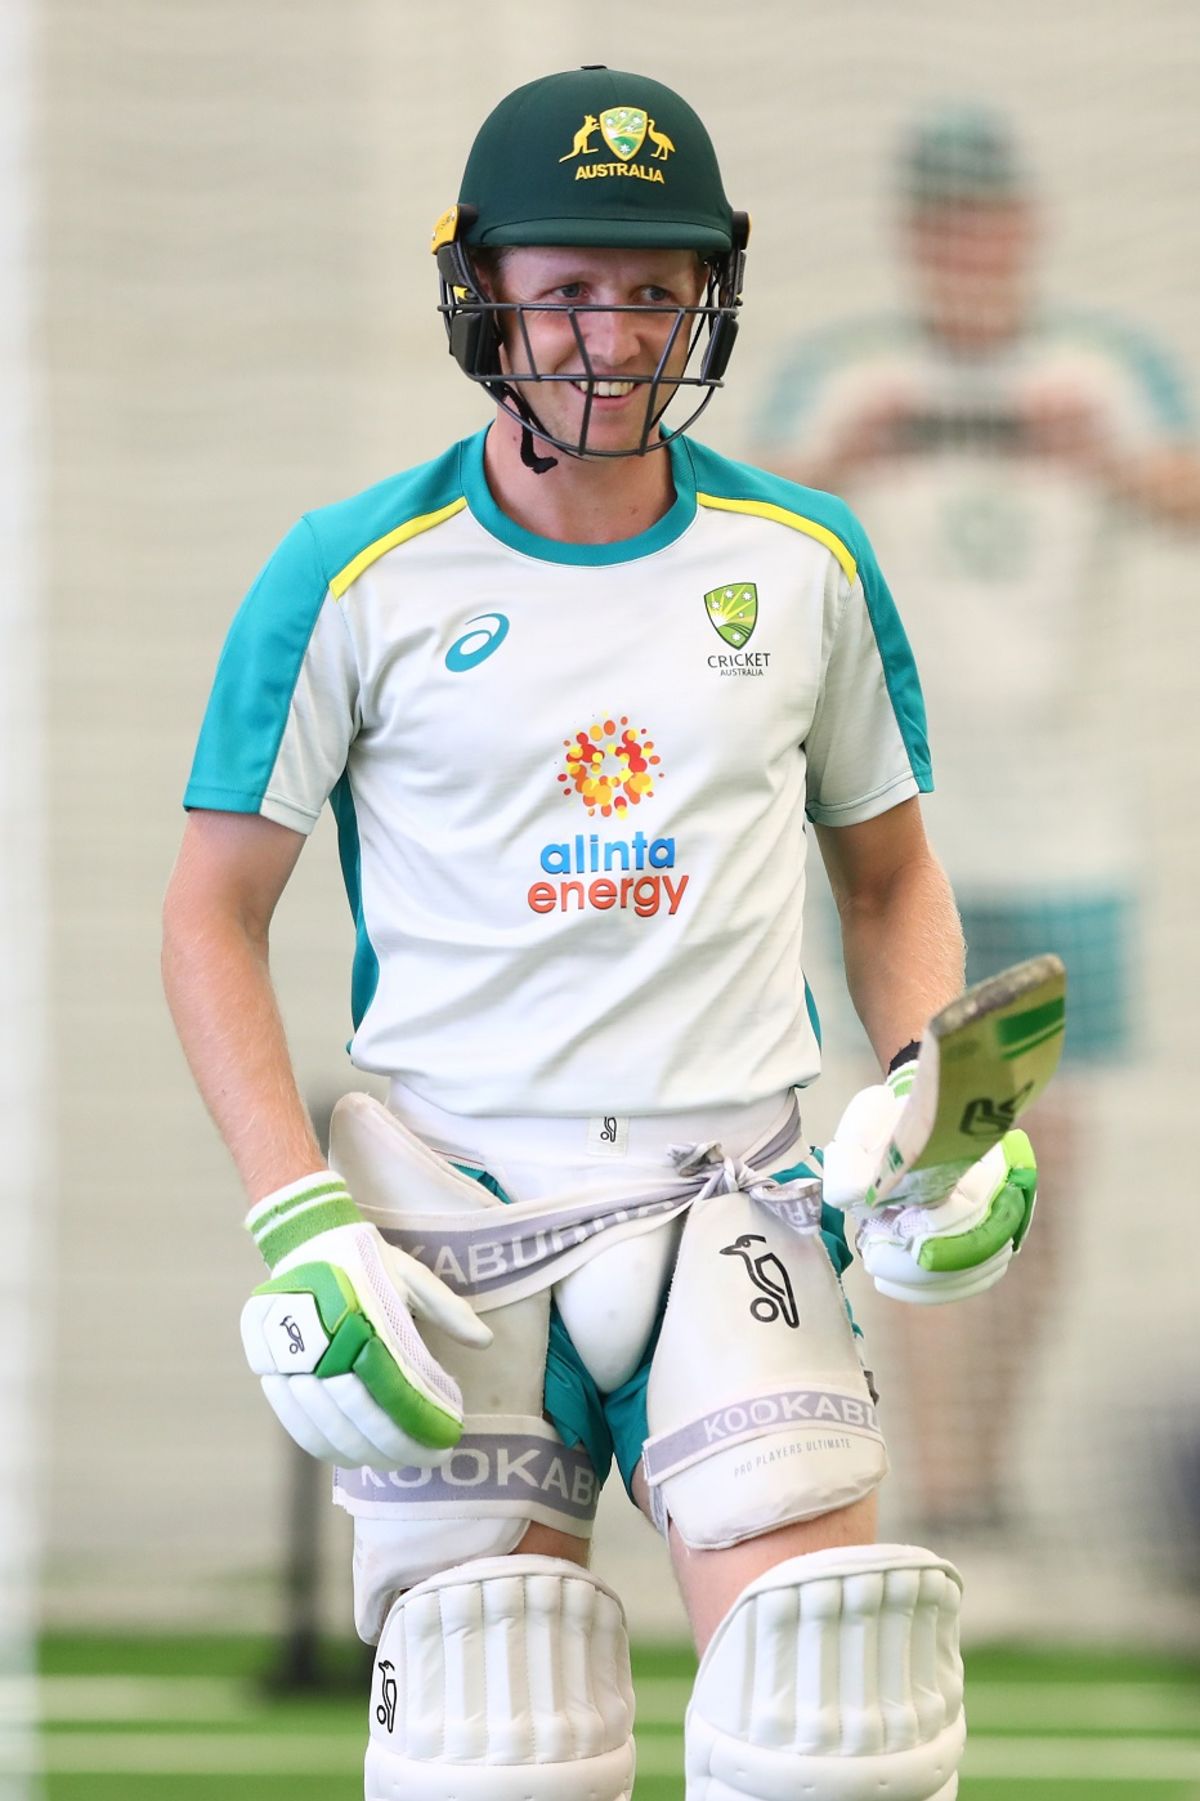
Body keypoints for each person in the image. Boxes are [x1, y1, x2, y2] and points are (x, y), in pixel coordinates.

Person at [163, 68, 1038, 1801]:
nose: (612, 337)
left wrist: (945, 1117)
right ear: (482, 289)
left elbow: (889, 877)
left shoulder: (805, 559)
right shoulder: (351, 575)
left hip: (740, 1188)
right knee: (495, 1755)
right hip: (454, 1218)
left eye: (655, 289)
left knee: (832, 1729)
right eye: (567, 290)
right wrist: (300, 1219)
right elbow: (209, 914)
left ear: (710, 289)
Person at [754, 106, 1200, 1539]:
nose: (969, 249)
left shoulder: (1102, 368)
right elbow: (745, 525)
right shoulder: (852, 374)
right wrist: (843, 469)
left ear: (1023, 232)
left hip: (1070, 831)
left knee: (1051, 1164)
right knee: (908, 1148)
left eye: (987, 221)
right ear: (915, 238)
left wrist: (1114, 466)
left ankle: (981, 1471)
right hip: (903, 841)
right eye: (943, 223)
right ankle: (931, 1471)